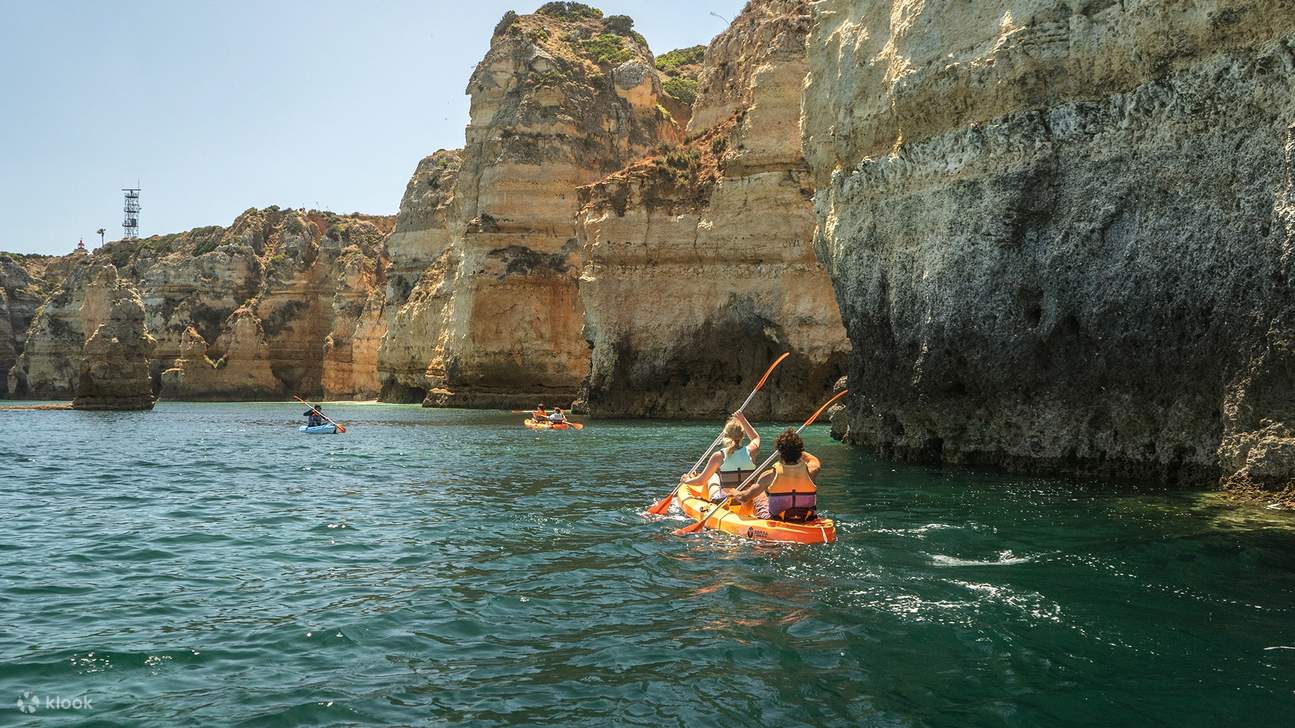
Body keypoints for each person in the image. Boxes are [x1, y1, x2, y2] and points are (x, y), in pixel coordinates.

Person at [729, 428, 821, 521]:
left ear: (780, 453)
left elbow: (744, 498)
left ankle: (745, 516)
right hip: (806, 517)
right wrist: (795, 449)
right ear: (800, 452)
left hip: (777, 519)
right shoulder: (812, 471)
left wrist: (734, 492)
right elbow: (813, 460)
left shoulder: (769, 475)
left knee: (758, 493)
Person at [680, 412, 761, 502]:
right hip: (747, 499)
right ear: (742, 435)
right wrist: (742, 419)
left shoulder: (719, 456)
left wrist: (686, 480)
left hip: (726, 500)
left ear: (725, 435)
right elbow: (755, 437)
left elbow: (701, 481)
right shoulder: (752, 451)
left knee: (713, 476)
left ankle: (713, 498)